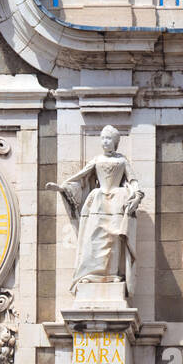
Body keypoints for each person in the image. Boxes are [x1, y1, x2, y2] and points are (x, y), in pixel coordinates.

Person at [48, 125, 143, 298]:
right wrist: (63, 188)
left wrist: (137, 194)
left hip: (117, 201)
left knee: (113, 239)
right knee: (93, 238)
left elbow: (133, 180)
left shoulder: (122, 161)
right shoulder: (97, 159)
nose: (104, 141)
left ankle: (112, 274)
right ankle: (90, 274)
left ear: (115, 142)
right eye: (102, 138)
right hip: (97, 201)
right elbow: (80, 177)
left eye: (108, 139)